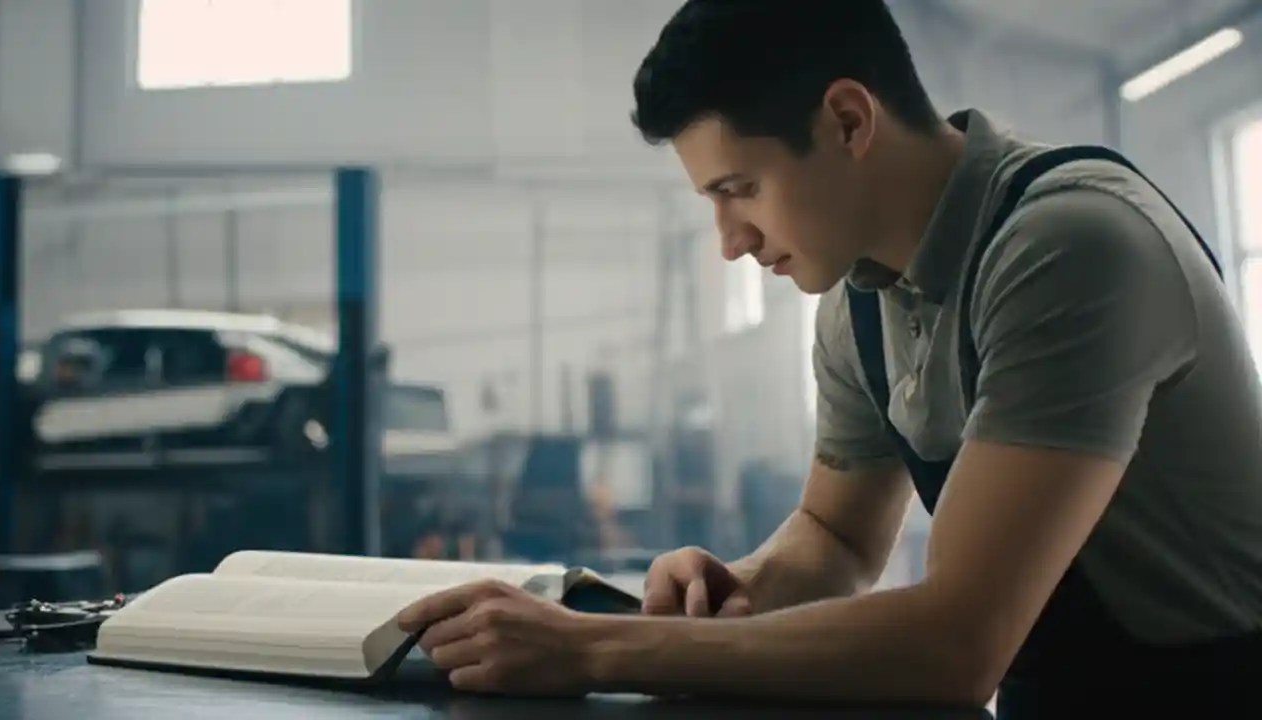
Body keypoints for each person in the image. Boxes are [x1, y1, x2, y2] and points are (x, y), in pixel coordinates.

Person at [396, 1, 1262, 716]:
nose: (730, 241)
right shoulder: (860, 299)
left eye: (740, 189)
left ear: (849, 121)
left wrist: (597, 647)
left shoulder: (1070, 249)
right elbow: (836, 537)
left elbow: (957, 645)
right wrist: (734, 590)